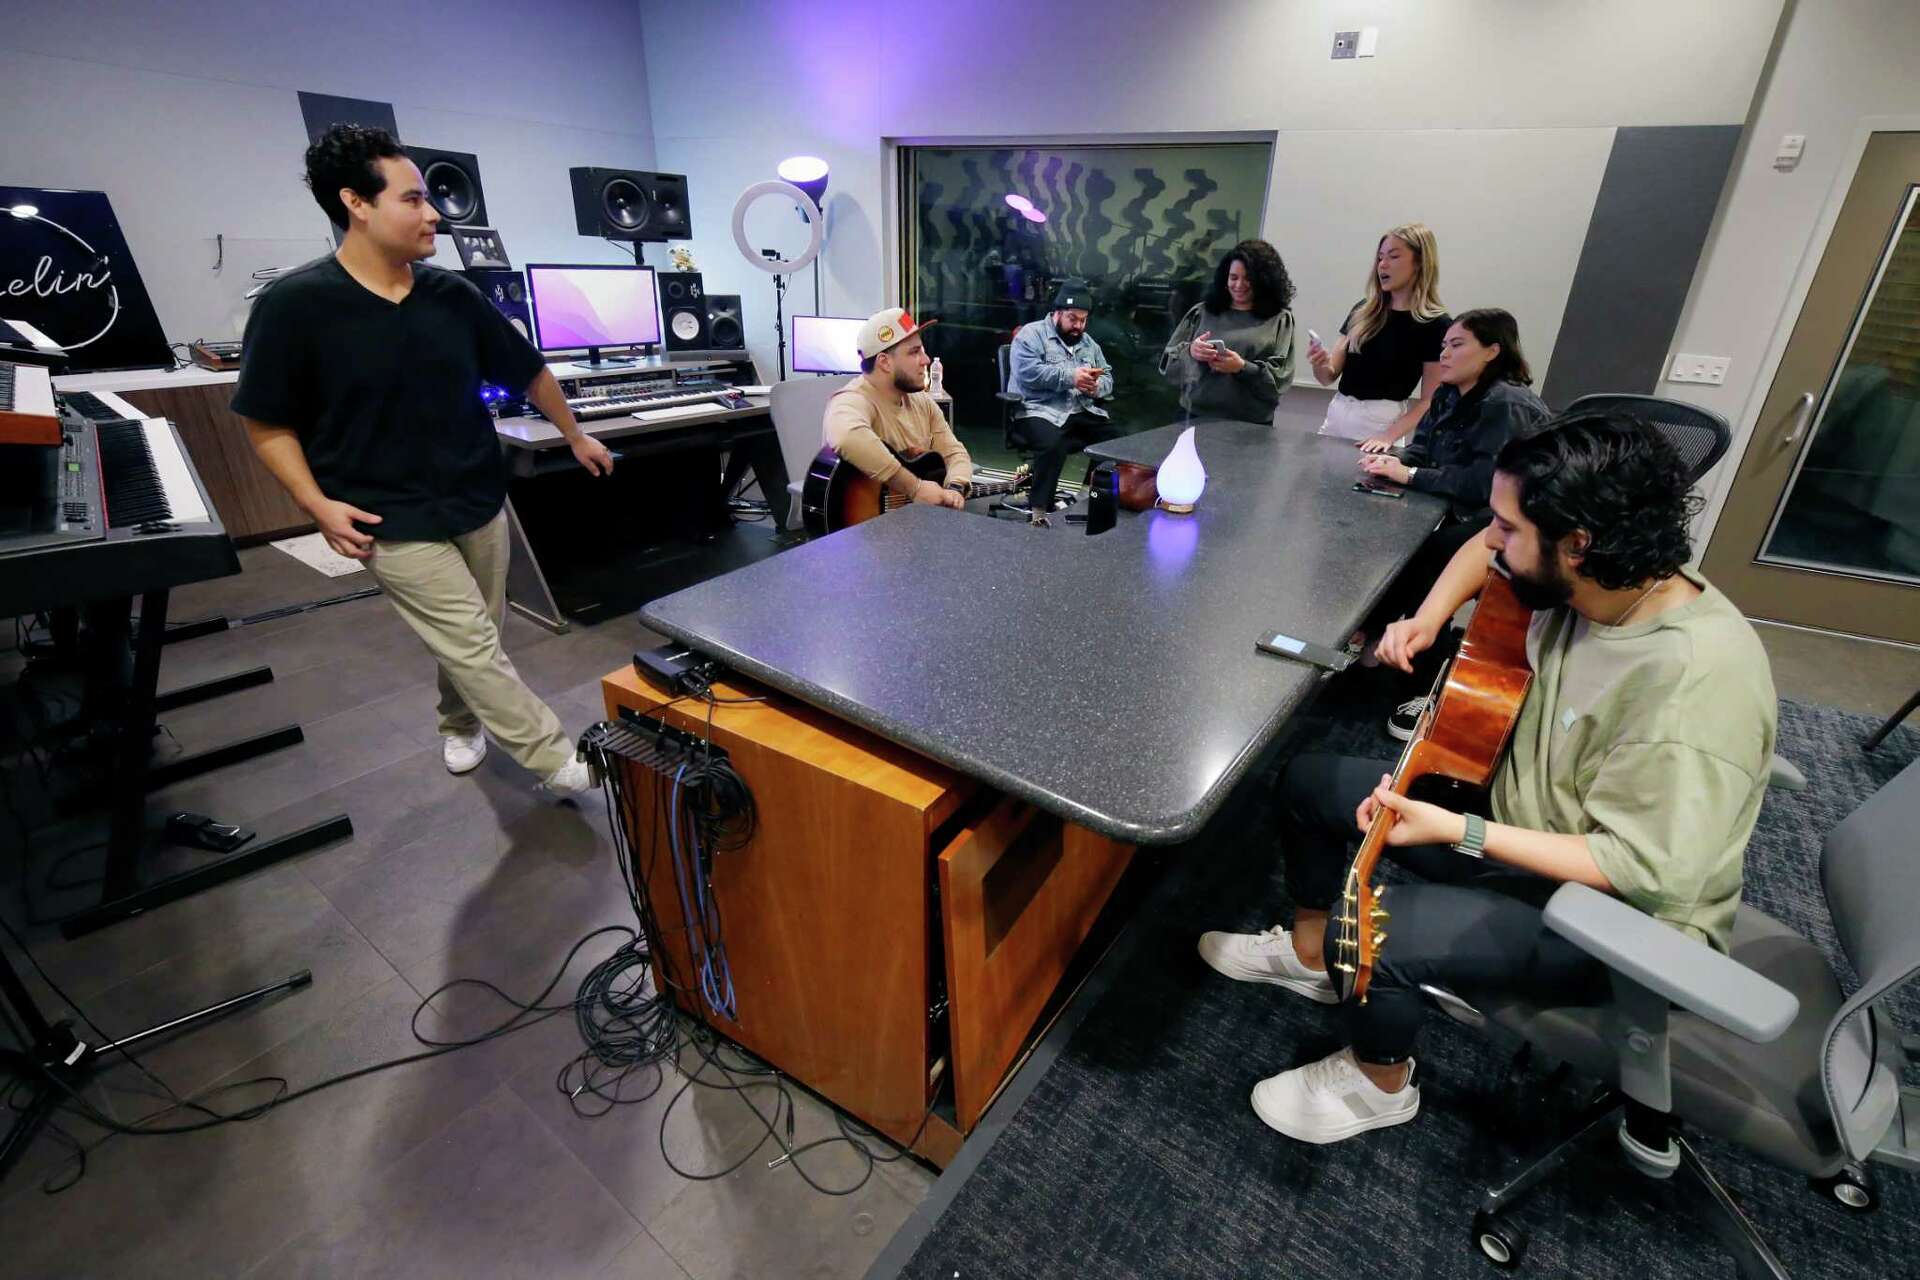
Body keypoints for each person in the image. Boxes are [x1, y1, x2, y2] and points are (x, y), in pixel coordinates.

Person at [1197, 413, 1777, 1146]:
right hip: (1520, 826)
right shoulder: (1600, 578)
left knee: (1384, 926)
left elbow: (1643, 869)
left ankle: (1380, 1082)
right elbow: (1482, 549)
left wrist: (1459, 830)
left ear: (1577, 543)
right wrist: (1429, 618)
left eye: (1508, 527)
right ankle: (1311, 957)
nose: (1492, 539)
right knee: (1312, 784)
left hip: (1620, 921)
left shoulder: (1695, 685)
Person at [232, 124, 613, 799]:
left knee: (476, 633)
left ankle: (457, 718)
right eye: (413, 199)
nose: (434, 213)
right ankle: (557, 759)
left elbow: (529, 369)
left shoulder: (450, 295)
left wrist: (575, 434)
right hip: (386, 514)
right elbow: (266, 423)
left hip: (475, 494)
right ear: (357, 203)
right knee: (470, 641)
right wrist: (316, 505)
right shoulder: (294, 307)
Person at [1354, 308, 1549, 738]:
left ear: (1493, 351)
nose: (1445, 353)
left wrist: (1410, 475)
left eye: (1457, 345)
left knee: (1435, 555)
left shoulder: (1505, 404)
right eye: (1444, 345)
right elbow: (1422, 452)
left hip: (1513, 519)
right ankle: (1371, 638)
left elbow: (1483, 485)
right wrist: (1393, 460)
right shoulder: (1448, 392)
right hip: (1459, 506)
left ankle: (1422, 682)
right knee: (1394, 537)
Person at [1307, 224, 1449, 449]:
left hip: (1380, 425)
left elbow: (1429, 402)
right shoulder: (1363, 310)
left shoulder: (1435, 324)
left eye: (1393, 256)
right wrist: (1319, 362)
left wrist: (1387, 436)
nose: (1382, 264)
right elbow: (1327, 376)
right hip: (1336, 417)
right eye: (1380, 257)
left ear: (1420, 261)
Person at [822, 308, 972, 507]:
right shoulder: (853, 399)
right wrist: (914, 487)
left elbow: (954, 453)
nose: (926, 360)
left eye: (923, 350)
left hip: (910, 523)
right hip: (863, 530)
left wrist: (955, 488)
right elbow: (846, 436)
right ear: (884, 362)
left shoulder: (922, 401)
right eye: (914, 352)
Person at [1007, 278, 1119, 523]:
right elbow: (1028, 374)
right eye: (1072, 319)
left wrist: (1095, 386)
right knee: (1052, 444)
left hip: (1078, 409)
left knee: (1116, 440)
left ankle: (1088, 495)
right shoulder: (1031, 335)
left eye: (1083, 320)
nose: (1078, 326)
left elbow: (1108, 376)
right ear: (1057, 313)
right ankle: (1039, 511)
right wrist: (1071, 377)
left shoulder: (1089, 344)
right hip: (1035, 409)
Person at [1159, 240, 1297, 424]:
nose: (1239, 285)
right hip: (1194, 417)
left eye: (1248, 278)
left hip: (1249, 425)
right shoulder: (1202, 312)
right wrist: (1191, 352)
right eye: (1233, 277)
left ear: (1264, 280)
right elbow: (1169, 367)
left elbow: (1279, 381)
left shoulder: (1279, 320)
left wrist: (1242, 367)